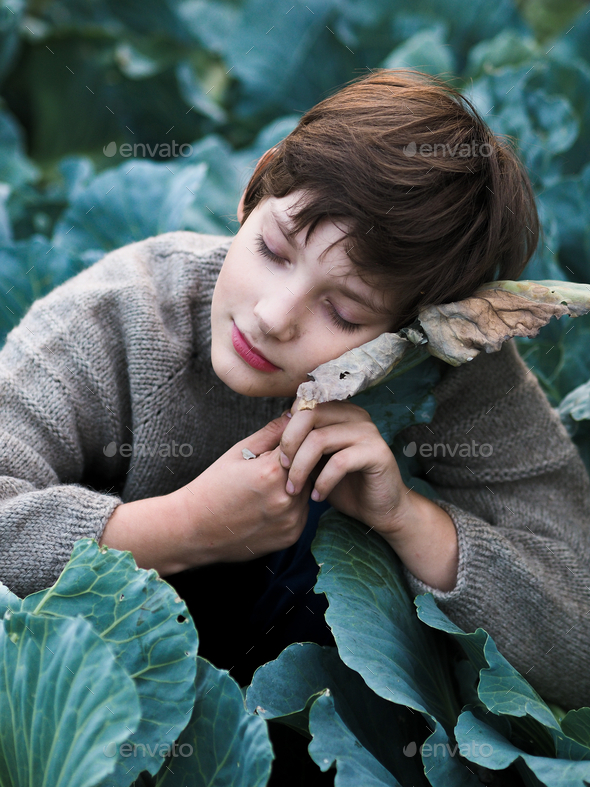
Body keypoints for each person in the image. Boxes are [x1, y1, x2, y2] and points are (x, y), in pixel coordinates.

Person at [0, 69, 589, 707]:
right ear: (254, 190)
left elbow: (577, 632)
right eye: (275, 251)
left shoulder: (450, 368)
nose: (274, 316)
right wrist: (184, 527)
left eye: (344, 313)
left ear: (417, 331)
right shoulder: (121, 313)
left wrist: (407, 519)